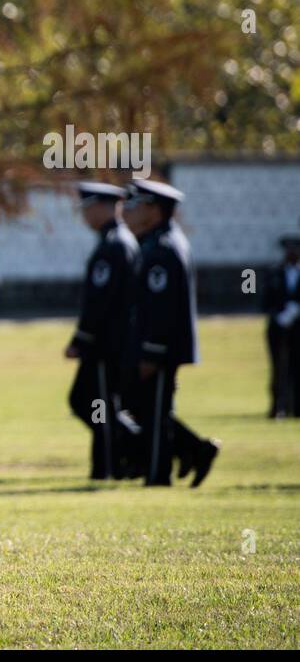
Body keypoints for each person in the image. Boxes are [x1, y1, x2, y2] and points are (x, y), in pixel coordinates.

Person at [121, 178, 218, 488]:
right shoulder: (155, 242)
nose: (127, 213)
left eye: (134, 206)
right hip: (153, 346)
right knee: (146, 408)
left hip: (160, 349)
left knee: (156, 412)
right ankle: (195, 449)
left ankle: (157, 475)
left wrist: (152, 351)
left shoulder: (162, 248)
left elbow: (161, 309)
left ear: (153, 210)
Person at [65, 182, 140, 480]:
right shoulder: (120, 240)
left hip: (105, 343)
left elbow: (99, 301)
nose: (84, 216)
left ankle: (118, 456)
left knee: (92, 402)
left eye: (86, 209)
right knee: (96, 402)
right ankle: (116, 459)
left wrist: (81, 338)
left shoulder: (113, 244)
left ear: (101, 207)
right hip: (115, 341)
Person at [263, 233, 300, 418]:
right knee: (277, 368)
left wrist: (295, 310)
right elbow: (263, 299)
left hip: (298, 328)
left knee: (297, 367)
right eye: (289, 250)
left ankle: (296, 407)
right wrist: (277, 315)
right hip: (277, 328)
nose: (292, 253)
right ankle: (277, 407)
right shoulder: (272, 273)